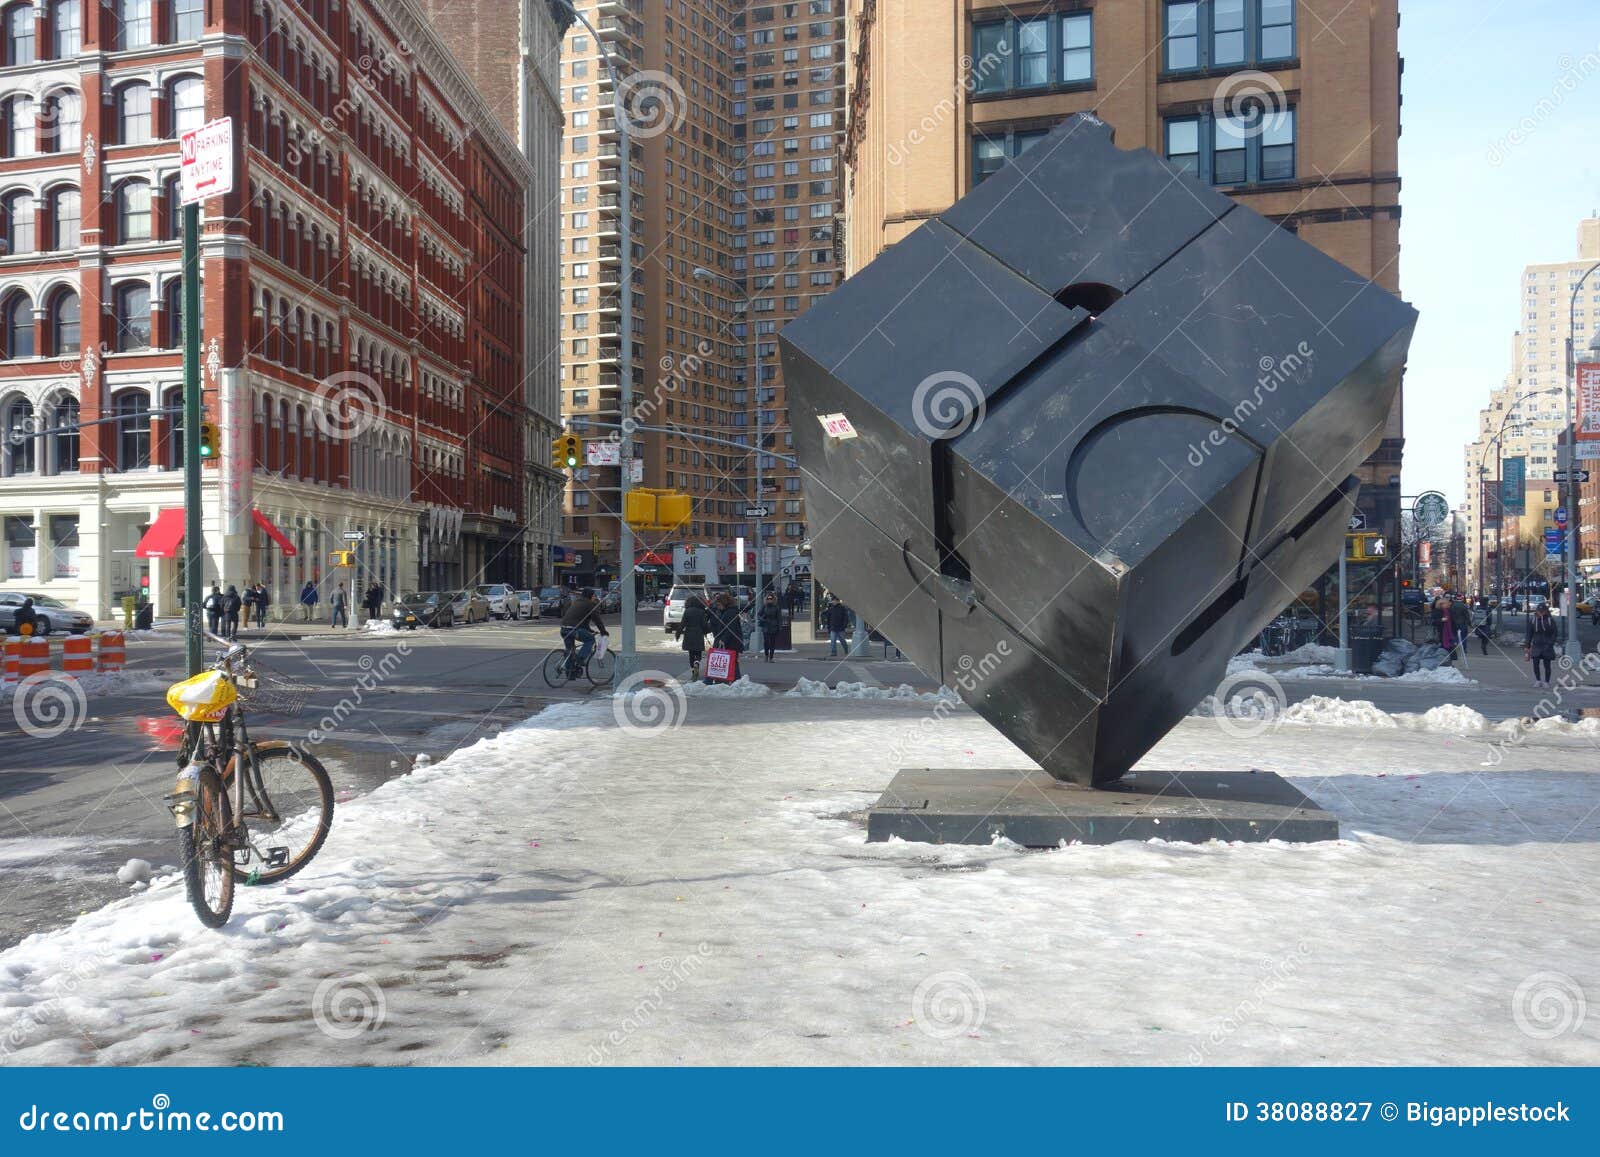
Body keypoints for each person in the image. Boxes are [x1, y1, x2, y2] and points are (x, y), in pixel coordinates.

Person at [559, 587, 609, 675]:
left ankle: (570, 674)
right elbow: (597, 620)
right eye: (594, 596)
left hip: (563, 629)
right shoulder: (590, 604)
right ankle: (580, 659)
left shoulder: (577, 601)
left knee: (570, 651)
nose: (595, 597)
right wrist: (603, 631)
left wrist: (589, 630)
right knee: (590, 640)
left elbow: (583, 622)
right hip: (573, 629)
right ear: (590, 596)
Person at [707, 590, 745, 681]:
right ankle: (736, 680)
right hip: (729, 640)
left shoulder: (730, 612)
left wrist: (723, 639)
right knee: (732, 661)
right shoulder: (727, 611)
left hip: (731, 641)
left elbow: (730, 628)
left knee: (732, 661)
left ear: (723, 603)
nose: (718, 607)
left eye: (719, 605)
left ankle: (736, 680)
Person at [1525, 602, 1559, 688]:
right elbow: (1529, 633)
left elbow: (1554, 633)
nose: (1540, 613)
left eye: (1542, 611)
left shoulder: (1550, 620)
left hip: (1547, 645)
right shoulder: (1533, 620)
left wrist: (1551, 643)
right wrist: (1527, 646)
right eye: (1539, 611)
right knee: (1535, 663)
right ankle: (1538, 680)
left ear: (1546, 611)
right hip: (1536, 645)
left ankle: (1546, 681)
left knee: (1547, 664)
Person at [679, 594, 708, 679]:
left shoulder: (687, 611)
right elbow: (704, 625)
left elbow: (682, 624)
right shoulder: (701, 612)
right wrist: (707, 631)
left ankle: (692, 668)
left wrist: (678, 633)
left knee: (691, 653)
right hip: (699, 634)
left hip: (689, 633)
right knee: (698, 651)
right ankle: (697, 663)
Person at [757, 591, 783, 662]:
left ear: (773, 599)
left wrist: (780, 627)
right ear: (766, 599)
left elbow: (779, 618)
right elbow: (758, 614)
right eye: (768, 598)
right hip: (766, 626)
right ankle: (766, 656)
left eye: (771, 598)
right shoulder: (764, 606)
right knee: (766, 642)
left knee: (772, 643)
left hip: (774, 626)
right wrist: (762, 619)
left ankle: (771, 657)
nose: (769, 600)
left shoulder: (776, 607)